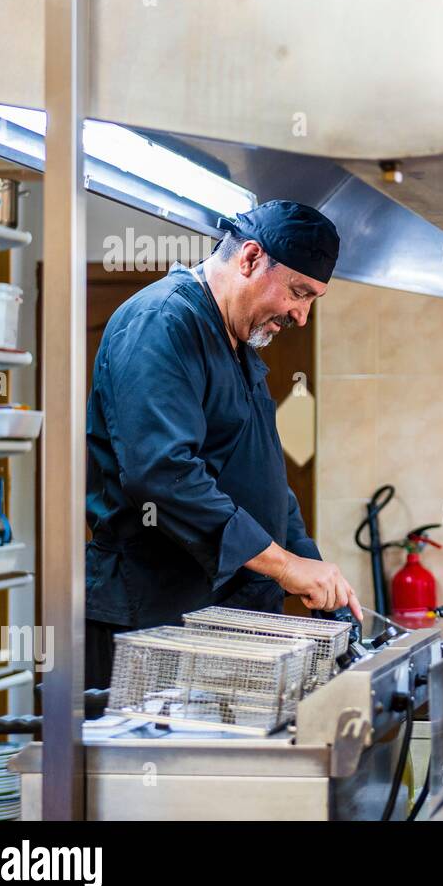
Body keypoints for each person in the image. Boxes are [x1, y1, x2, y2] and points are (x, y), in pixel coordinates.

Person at [85, 200, 362, 687]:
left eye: (313, 299)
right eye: (299, 293)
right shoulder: (163, 322)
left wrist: (310, 565)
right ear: (251, 258)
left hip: (225, 619)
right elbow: (161, 474)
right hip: (155, 622)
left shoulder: (237, 340)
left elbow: (263, 475)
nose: (301, 316)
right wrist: (283, 566)